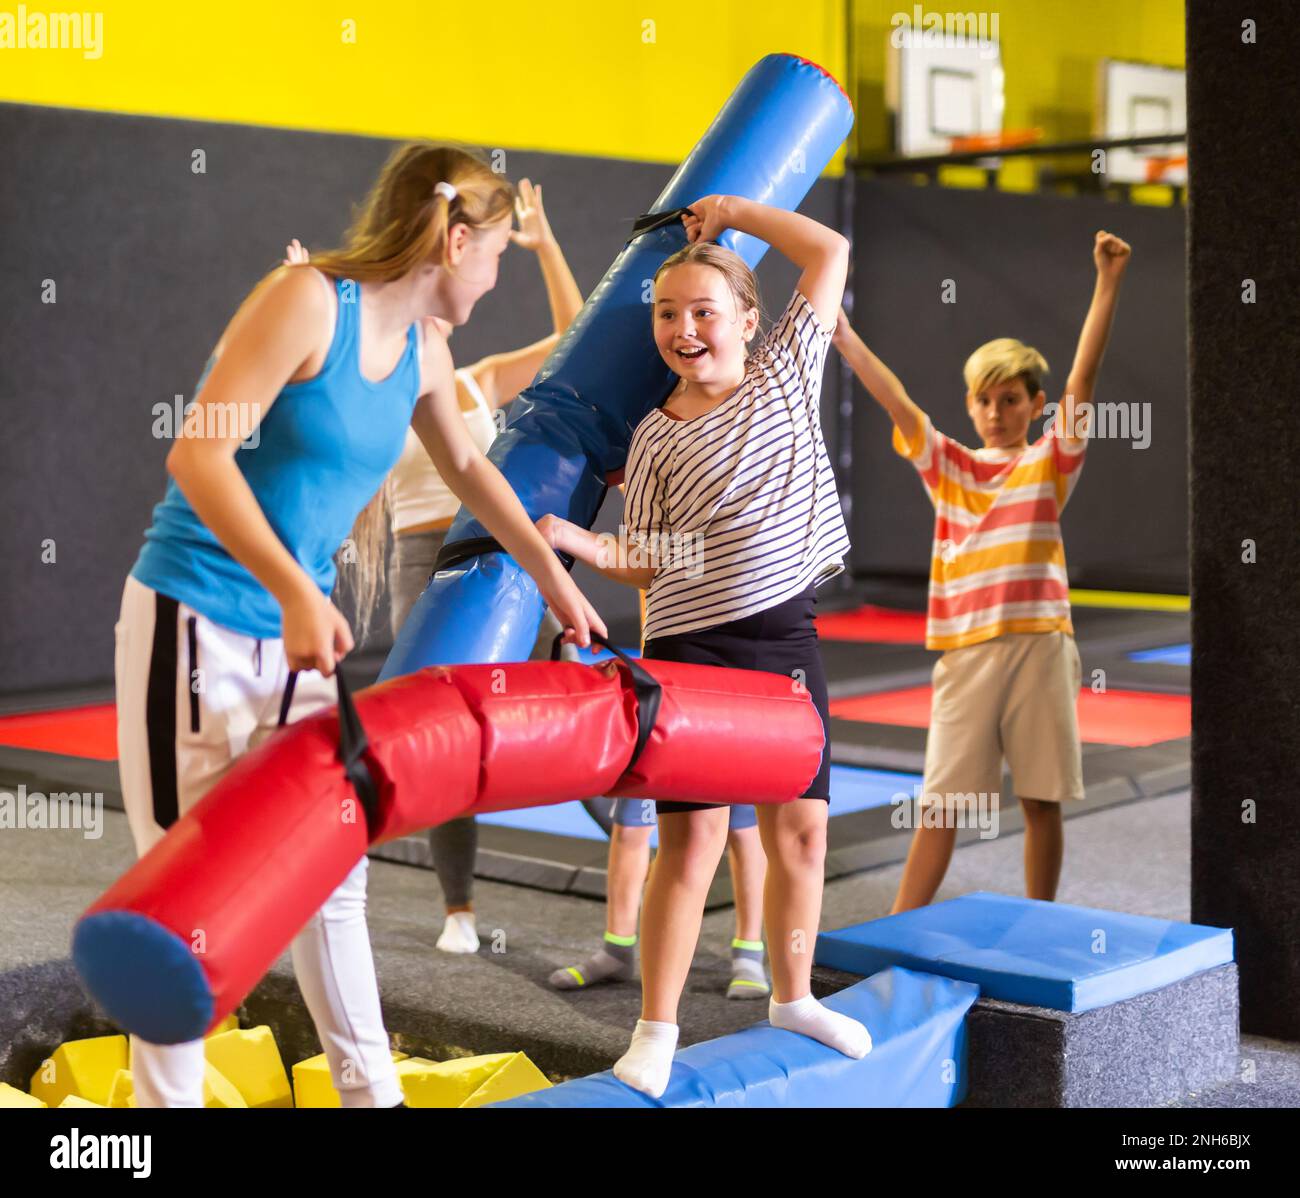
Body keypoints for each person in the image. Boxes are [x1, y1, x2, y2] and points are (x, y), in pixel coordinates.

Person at [116, 142, 604, 1108]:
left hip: (300, 642)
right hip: (194, 620)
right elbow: (198, 458)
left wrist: (552, 574)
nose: (497, 271)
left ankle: (369, 1097)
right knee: (188, 897)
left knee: (333, 877)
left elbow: (470, 470)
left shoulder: (426, 349)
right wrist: (297, 589)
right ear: (455, 238)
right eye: (498, 250)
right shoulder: (305, 301)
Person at [539, 195, 872, 1098]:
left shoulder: (785, 374)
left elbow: (829, 246)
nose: (684, 329)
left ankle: (792, 995)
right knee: (692, 847)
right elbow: (648, 557)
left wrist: (732, 212)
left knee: (801, 834)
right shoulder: (652, 435)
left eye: (703, 311)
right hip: (689, 650)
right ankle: (655, 1028)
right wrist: (582, 546)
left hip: (785, 640)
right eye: (666, 314)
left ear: (748, 321)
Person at [282, 177, 586, 955]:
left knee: (565, 682)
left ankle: (620, 818)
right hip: (428, 558)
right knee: (445, 724)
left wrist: (547, 246)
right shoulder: (378, 376)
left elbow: (572, 340)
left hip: (507, 547)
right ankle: (459, 908)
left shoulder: (464, 376)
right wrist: (301, 317)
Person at [831, 230, 1132, 912]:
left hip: (1039, 643)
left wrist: (1108, 281)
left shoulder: (1048, 463)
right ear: (970, 405)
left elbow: (1083, 380)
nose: (997, 413)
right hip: (966, 653)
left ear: (1033, 404)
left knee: (1041, 800)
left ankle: (1041, 921)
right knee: (943, 805)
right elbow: (898, 402)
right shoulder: (949, 466)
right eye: (985, 401)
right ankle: (902, 927)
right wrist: (844, 338)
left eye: (1012, 400)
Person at [549, 594, 771, 1000]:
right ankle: (617, 948)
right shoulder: (659, 535)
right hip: (666, 680)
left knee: (742, 826)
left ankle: (749, 952)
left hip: (731, 680)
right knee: (631, 825)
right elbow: (640, 574)